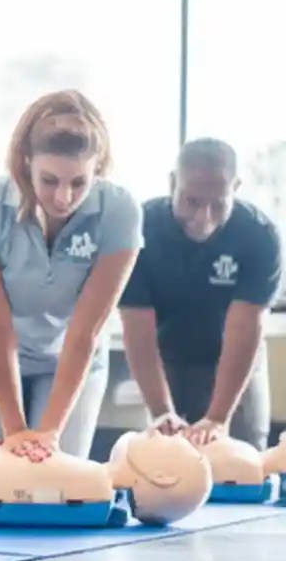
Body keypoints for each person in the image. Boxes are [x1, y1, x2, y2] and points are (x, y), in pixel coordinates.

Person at [0, 90, 142, 461]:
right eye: (49, 180)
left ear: (97, 169)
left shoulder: (119, 211)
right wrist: (16, 430)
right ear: (25, 164)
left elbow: (85, 330)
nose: (63, 197)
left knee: (52, 484)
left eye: (78, 183)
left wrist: (49, 432)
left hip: (67, 353)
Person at [119, 138, 281, 450]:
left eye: (218, 204)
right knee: (165, 457)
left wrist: (218, 418)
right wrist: (162, 412)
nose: (203, 217)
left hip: (235, 362)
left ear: (235, 188)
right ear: (172, 184)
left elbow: (244, 328)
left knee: (239, 458)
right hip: (167, 360)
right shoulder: (139, 230)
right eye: (192, 201)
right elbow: (137, 330)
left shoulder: (259, 235)